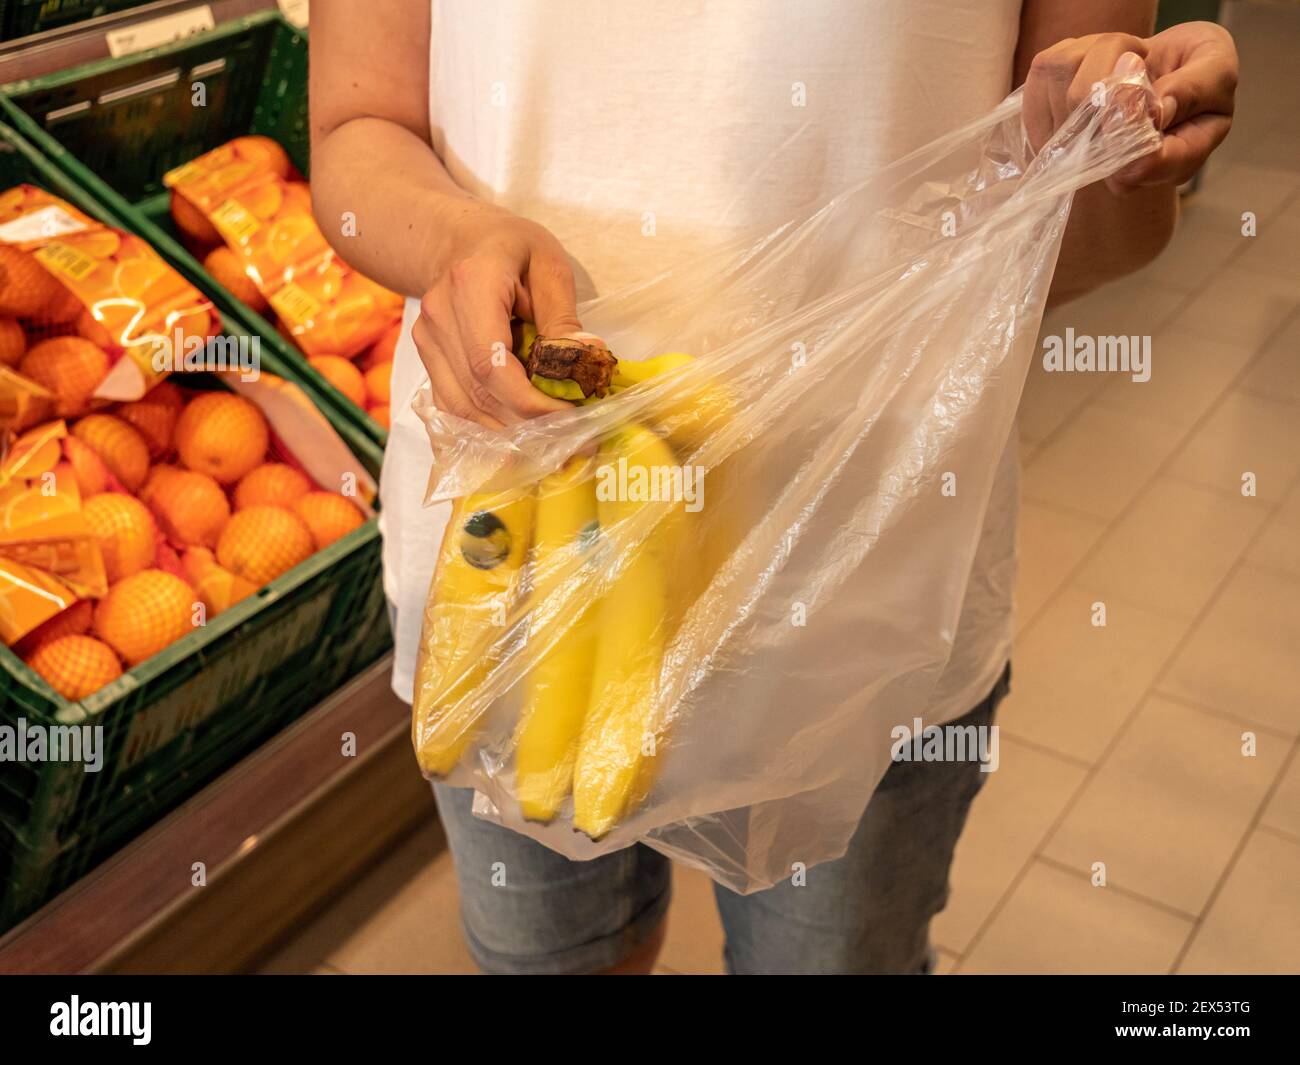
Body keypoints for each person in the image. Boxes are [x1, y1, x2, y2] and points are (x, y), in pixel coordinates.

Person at [309, 1, 1237, 974]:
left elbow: (1079, 244)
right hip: (518, 561)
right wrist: (452, 240)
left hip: (866, 586)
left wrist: (1114, 148)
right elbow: (358, 126)